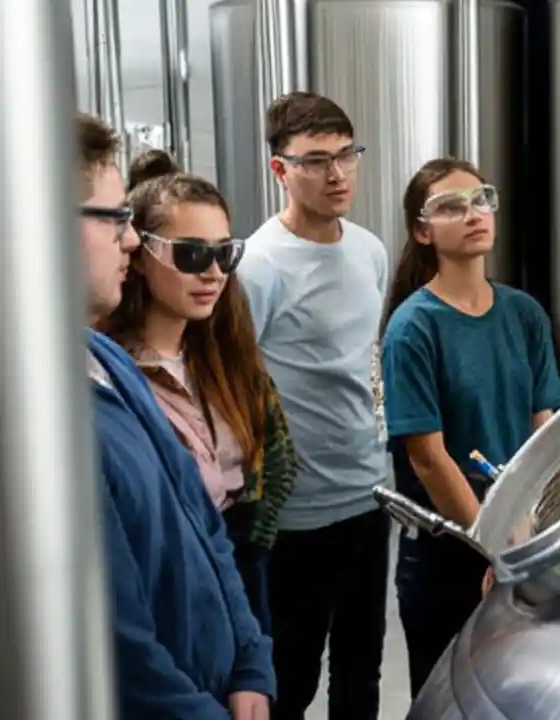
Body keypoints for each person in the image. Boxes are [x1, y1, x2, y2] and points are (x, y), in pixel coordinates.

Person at [76, 114, 275, 720]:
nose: (129, 241)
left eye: (223, 254)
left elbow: (204, 526)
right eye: (115, 221)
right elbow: (115, 641)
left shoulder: (102, 359)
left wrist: (249, 662)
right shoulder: (43, 422)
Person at [380, 158, 560, 696]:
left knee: (516, 695)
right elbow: (428, 458)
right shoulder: (413, 327)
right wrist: (493, 547)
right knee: (449, 699)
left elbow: (544, 428)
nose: (473, 213)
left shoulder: (523, 313)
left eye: (481, 199)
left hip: (519, 540)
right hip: (451, 551)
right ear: (423, 230)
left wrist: (528, 537)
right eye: (451, 207)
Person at [99, 148, 298, 633]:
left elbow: (278, 456)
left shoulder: (225, 351)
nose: (212, 272)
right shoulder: (111, 371)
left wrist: (253, 542)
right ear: (139, 255)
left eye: (225, 253)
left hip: (241, 569)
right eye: (191, 254)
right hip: (167, 585)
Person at [237, 91, 390, 719]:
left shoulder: (370, 250)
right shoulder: (259, 267)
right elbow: (236, 387)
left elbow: (361, 367)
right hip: (297, 515)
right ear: (280, 169)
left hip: (366, 495)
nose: (337, 174)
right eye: (316, 160)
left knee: (362, 670)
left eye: (346, 156)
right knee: (291, 677)